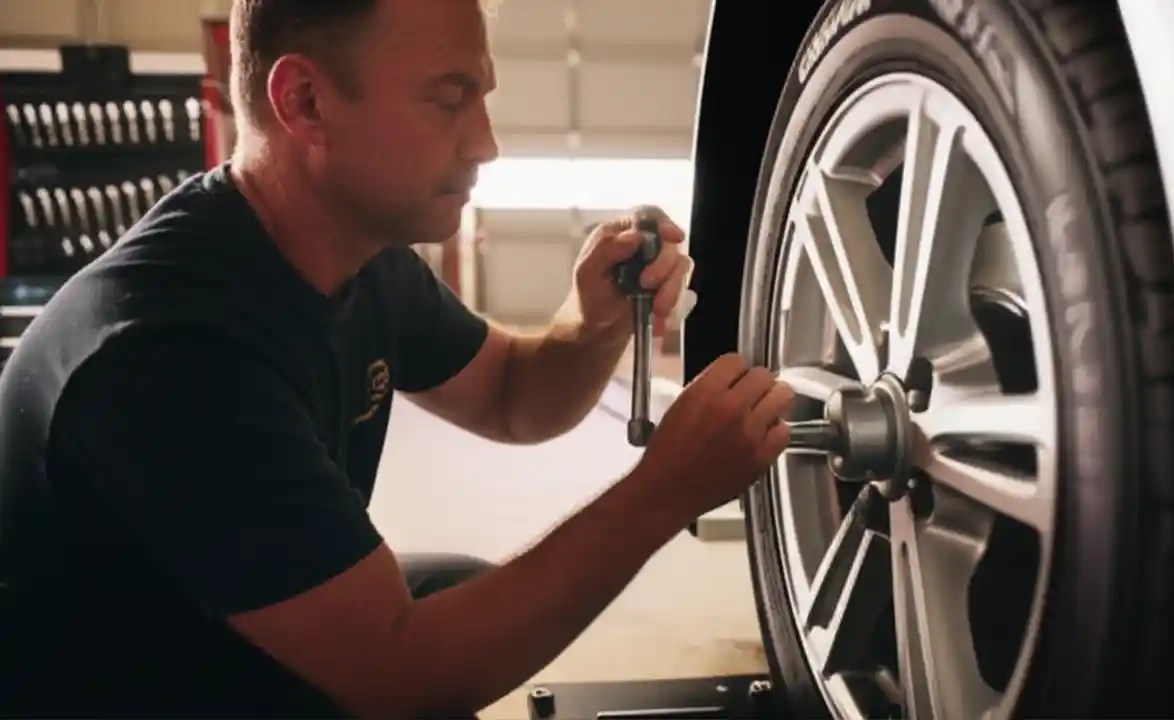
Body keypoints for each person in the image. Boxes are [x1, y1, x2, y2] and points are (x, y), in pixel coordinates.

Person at [0, 0, 795, 717]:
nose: (485, 143)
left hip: (199, 629)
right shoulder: (172, 356)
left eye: (481, 97)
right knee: (438, 653)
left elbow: (512, 397)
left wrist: (591, 324)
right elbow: (400, 678)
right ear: (305, 102)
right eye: (448, 99)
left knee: (461, 589)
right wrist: (662, 494)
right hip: (118, 688)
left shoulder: (356, 254)